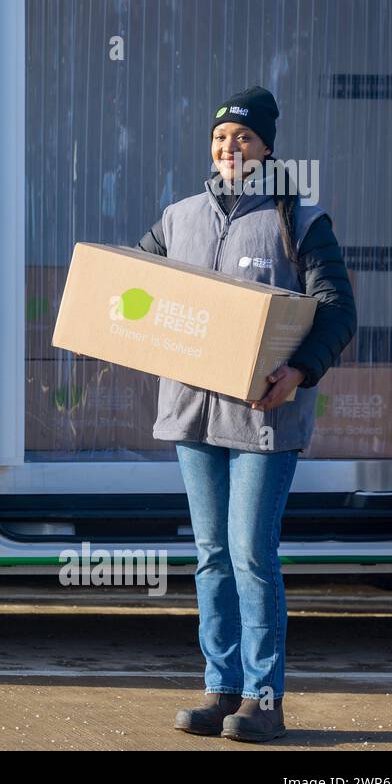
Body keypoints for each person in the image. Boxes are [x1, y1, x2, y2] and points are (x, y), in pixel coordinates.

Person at [135, 86, 357, 742]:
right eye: (220, 138)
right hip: (193, 419)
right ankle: (220, 688)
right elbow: (133, 286)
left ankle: (265, 699)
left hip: (265, 420)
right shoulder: (178, 219)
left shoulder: (300, 219)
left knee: (251, 555)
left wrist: (299, 372)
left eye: (243, 138)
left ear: (265, 147)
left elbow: (338, 312)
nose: (229, 147)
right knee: (210, 556)